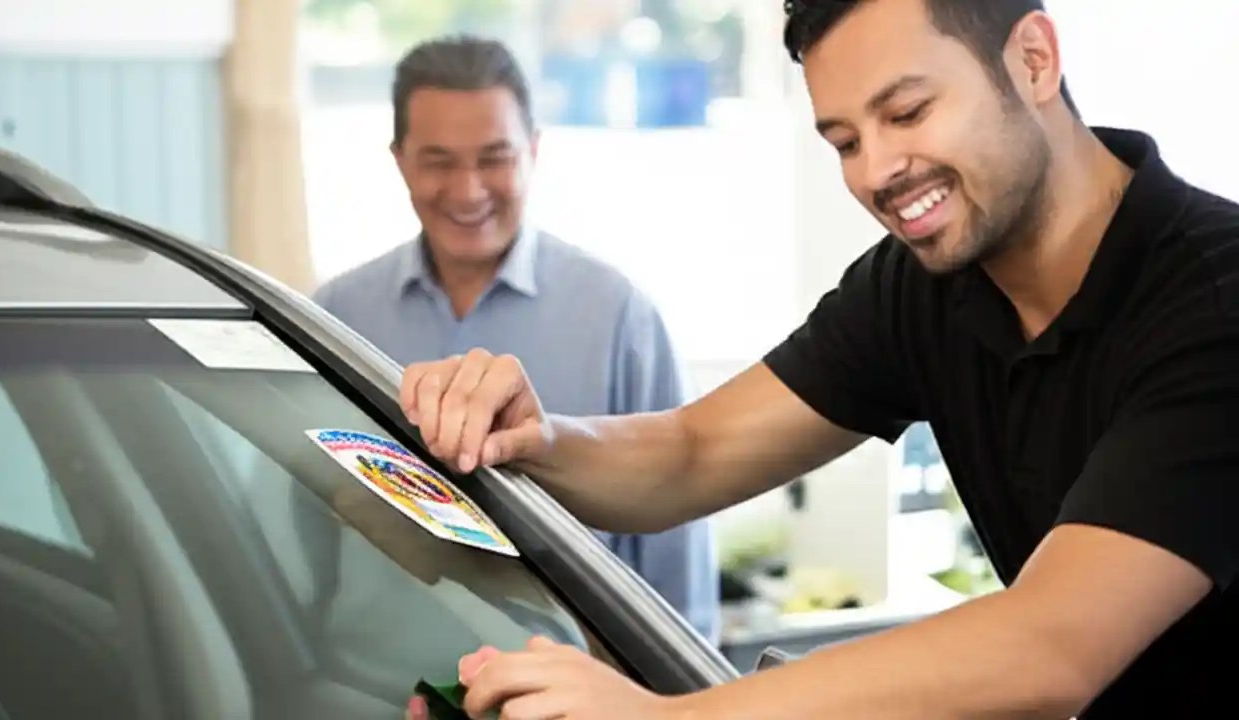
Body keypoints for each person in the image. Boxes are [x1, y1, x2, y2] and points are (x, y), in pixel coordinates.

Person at [399, 0, 1239, 717]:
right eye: (843, 141)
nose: (878, 172)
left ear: (1032, 59)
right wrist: (536, 439)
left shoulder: (1215, 299)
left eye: (906, 113)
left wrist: (675, 713)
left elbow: (1050, 644)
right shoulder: (925, 288)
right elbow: (693, 453)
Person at [311, 35, 720, 643]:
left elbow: (675, 555)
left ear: (533, 150)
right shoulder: (335, 316)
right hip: (374, 684)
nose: (469, 190)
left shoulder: (617, 316)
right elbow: (307, 530)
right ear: (399, 161)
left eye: (494, 158)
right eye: (439, 161)